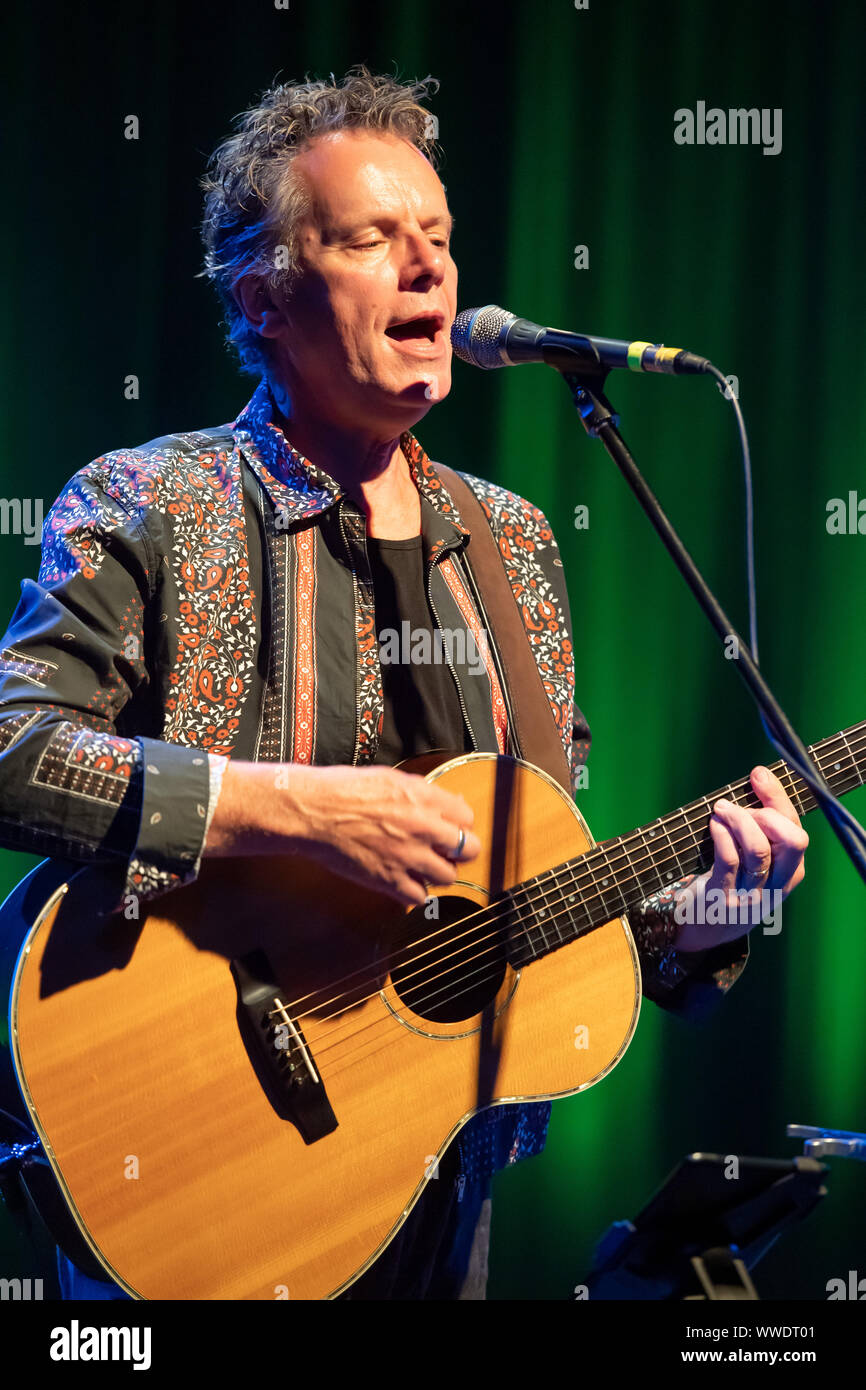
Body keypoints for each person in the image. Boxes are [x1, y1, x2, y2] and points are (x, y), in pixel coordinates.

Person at [0, 66, 807, 1301]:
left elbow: (540, 892)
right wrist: (302, 808)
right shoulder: (150, 500)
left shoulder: (512, 545)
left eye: (436, 237)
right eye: (374, 238)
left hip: (433, 1178)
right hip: (190, 1168)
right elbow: (15, 752)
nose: (429, 268)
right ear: (264, 294)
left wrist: (711, 917)